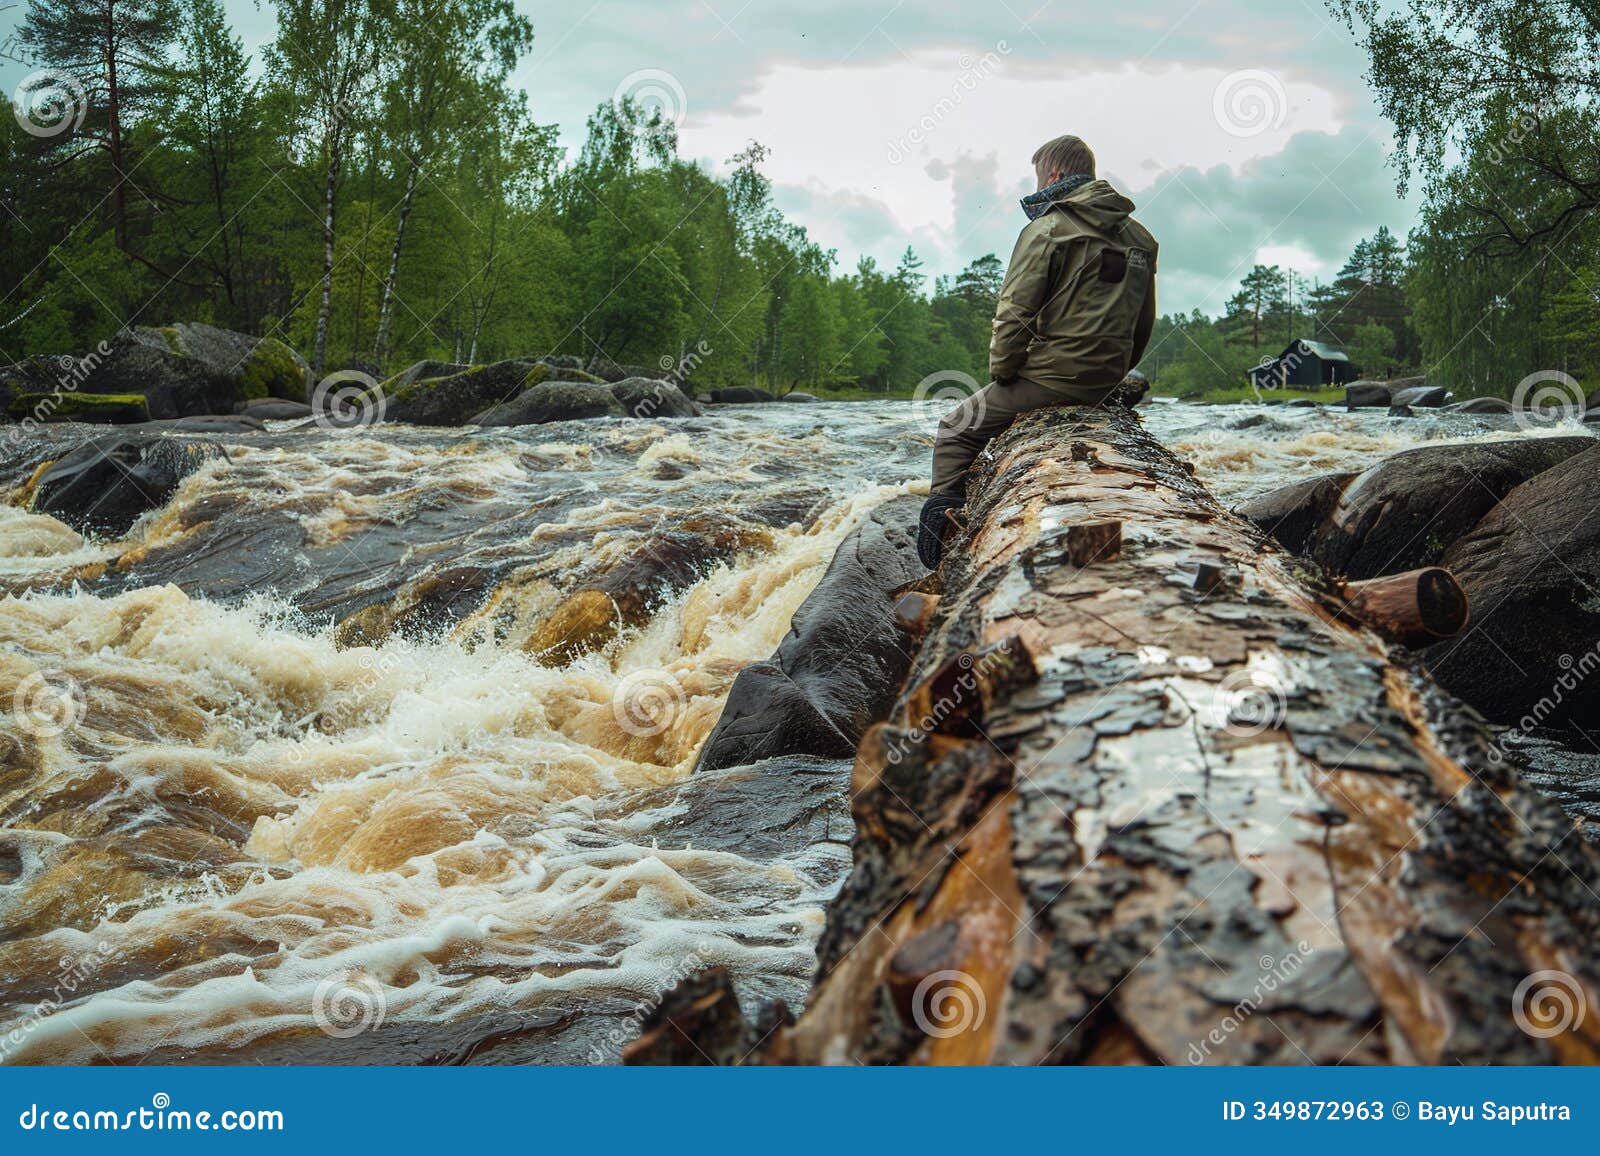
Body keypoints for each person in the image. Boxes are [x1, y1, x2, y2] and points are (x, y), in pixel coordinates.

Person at [918, 134, 1158, 568]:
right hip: (1106, 377)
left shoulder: (1048, 228)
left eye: (1037, 174)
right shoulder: (1140, 237)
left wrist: (1004, 372)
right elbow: (1144, 322)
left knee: (955, 427)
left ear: (1054, 174)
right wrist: (1113, 373)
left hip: (1051, 379)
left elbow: (1015, 311)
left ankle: (944, 538)